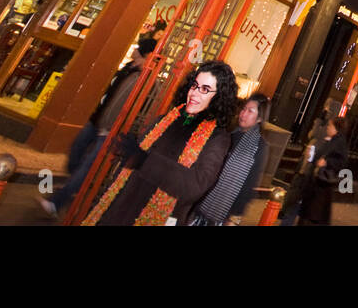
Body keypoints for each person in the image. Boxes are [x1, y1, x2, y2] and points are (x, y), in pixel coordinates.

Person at [81, 60, 237, 226]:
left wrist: (144, 161)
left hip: (161, 218)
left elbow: (195, 186)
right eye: (194, 85)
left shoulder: (218, 138)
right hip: (121, 209)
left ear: (219, 97)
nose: (195, 93)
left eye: (205, 89)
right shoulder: (167, 118)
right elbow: (133, 161)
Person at [39, 37, 155, 217]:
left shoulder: (146, 81)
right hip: (98, 120)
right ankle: (74, 185)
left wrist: (114, 127)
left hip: (111, 129)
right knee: (76, 150)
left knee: (88, 165)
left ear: (144, 53)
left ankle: (58, 200)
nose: (134, 50)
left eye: (138, 48)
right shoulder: (128, 69)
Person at [187, 92, 270, 226]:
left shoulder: (259, 147)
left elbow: (250, 184)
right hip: (200, 200)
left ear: (260, 118)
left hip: (223, 212)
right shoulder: (229, 134)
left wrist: (235, 217)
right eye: (243, 109)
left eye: (250, 111)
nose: (243, 114)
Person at [295, 115, 348, 226]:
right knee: (309, 215)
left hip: (321, 185)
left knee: (313, 216)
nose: (327, 127)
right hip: (316, 184)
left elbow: (341, 162)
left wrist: (327, 162)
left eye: (330, 125)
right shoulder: (332, 140)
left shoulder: (339, 142)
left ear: (336, 128)